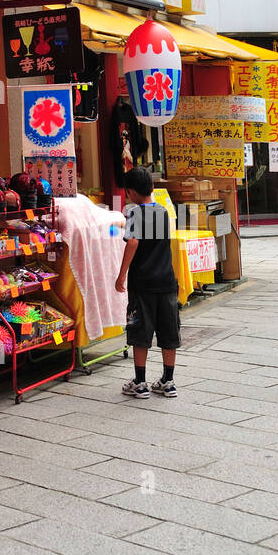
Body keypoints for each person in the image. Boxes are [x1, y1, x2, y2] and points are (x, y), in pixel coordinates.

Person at [115, 165, 179, 398]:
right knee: (168, 331)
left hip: (142, 284)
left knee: (140, 330)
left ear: (130, 192)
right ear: (152, 188)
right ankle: (168, 381)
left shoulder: (134, 213)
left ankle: (140, 382)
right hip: (166, 282)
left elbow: (133, 242)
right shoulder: (163, 211)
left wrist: (121, 275)